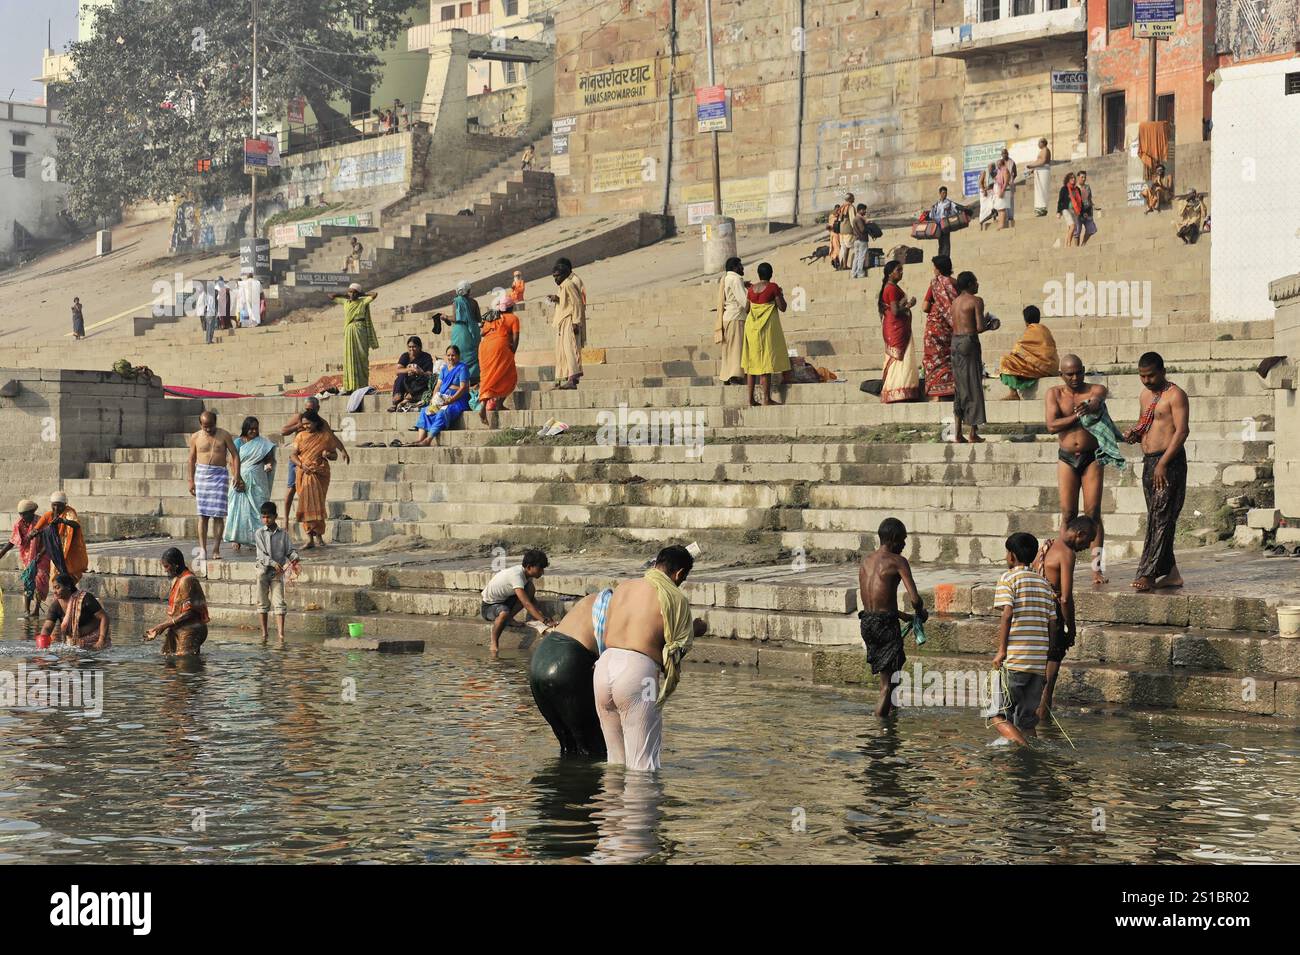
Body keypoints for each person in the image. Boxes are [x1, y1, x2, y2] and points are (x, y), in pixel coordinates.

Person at [593, 545, 706, 772]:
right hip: (638, 673)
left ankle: (610, 806)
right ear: (679, 574)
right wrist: (696, 630)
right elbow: (676, 648)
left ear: (656, 564)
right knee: (643, 766)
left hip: (603, 667)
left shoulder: (623, 587)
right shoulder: (674, 597)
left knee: (615, 762)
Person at [1046, 354, 1118, 586]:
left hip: (1091, 457)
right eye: (1069, 374)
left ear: (1084, 370)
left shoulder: (1094, 389)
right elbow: (1051, 425)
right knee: (1067, 514)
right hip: (1066, 458)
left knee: (1093, 513)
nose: (1075, 377)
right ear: (1061, 375)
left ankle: (1097, 568)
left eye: (1078, 372)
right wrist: (1078, 416)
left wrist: (1093, 405)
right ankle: (1062, 562)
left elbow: (1098, 396)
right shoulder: (1054, 394)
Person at [1123, 352, 1190, 593]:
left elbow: (1182, 431)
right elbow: (1146, 424)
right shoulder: (1145, 395)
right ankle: (1171, 573)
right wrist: (1134, 434)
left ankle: (1149, 574)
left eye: (1151, 375)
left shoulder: (1176, 395)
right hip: (1149, 462)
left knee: (1161, 518)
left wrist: (1163, 463)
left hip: (1169, 464)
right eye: (1142, 376)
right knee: (1156, 518)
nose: (1147, 380)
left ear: (1162, 371)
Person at [528, 589, 610, 759]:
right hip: (567, 663)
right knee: (593, 751)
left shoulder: (592, 600)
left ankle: (565, 781)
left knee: (568, 746)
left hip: (539, 660)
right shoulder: (618, 608)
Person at [858, 518, 927, 718]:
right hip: (886, 625)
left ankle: (891, 713)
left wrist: (905, 617)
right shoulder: (898, 561)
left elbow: (877, 603)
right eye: (904, 540)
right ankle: (879, 730)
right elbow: (915, 599)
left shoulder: (866, 561)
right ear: (894, 539)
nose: (905, 545)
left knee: (891, 675)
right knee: (887, 685)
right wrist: (920, 613)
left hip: (867, 623)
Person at [991, 532, 1056, 741]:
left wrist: (1001, 651)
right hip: (1037, 665)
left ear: (1011, 555)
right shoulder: (1044, 584)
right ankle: (1033, 755)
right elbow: (1052, 624)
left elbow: (1008, 613)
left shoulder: (1008, 578)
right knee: (1027, 720)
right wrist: (1046, 661)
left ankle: (1024, 748)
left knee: (998, 715)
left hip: (1015, 661)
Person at [1032, 516, 1097, 724]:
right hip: (1053, 619)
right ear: (1080, 534)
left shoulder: (1047, 546)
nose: (1086, 547)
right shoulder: (1067, 553)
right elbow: (1065, 597)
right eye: (1087, 542)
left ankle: (1029, 722)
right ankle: (1044, 724)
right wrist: (1071, 627)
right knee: (1048, 682)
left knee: (1035, 675)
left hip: (1035, 614)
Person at [187, 411, 243, 561]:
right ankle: (203, 549)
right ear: (201, 424)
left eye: (211, 426)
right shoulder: (195, 437)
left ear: (215, 422)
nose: (208, 429)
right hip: (202, 475)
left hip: (219, 475)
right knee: (203, 515)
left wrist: (237, 474)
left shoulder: (224, 435)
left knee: (219, 515)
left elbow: (235, 455)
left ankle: (216, 549)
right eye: (205, 426)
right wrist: (190, 480)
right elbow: (191, 459)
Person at [949, 271, 995, 443]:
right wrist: (991, 324)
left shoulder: (954, 303)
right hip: (969, 343)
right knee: (973, 386)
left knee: (960, 388)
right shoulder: (976, 301)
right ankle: (973, 433)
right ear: (969, 284)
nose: (978, 285)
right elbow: (979, 327)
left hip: (955, 343)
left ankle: (958, 433)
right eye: (975, 282)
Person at [481, 549, 553, 658]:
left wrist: (542, 615)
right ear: (529, 567)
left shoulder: (527, 576)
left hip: (505, 600)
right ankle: (494, 643)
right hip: (489, 607)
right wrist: (545, 621)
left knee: (530, 589)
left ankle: (509, 619)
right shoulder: (516, 576)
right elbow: (527, 604)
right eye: (540, 569)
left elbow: (531, 600)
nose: (542, 572)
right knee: (503, 613)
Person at [291, 409, 347, 549]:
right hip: (305, 473)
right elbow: (292, 456)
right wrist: (302, 465)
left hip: (320, 473)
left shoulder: (325, 437)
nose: (305, 427)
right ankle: (310, 538)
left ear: (315, 423)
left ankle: (319, 537)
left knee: (318, 504)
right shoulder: (300, 436)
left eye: (308, 424)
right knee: (307, 504)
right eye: (303, 424)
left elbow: (334, 456)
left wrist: (327, 454)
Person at [144, 547, 209, 656]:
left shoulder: (187, 580)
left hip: (191, 629)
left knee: (182, 663)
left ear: (176, 565)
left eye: (166, 566)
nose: (165, 570)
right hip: (178, 628)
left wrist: (163, 626)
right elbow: (177, 610)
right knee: (167, 657)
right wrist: (159, 628)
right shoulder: (178, 579)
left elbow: (190, 612)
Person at [742, 262, 791, 407]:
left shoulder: (751, 290)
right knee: (765, 364)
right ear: (770, 274)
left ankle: (750, 400)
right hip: (765, 330)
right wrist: (780, 294)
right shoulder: (773, 287)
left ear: (758, 274)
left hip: (751, 329)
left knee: (751, 365)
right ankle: (766, 399)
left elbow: (746, 309)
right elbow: (783, 307)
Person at [224, 416, 276, 553]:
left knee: (258, 508)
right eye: (250, 428)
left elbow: (269, 459)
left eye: (256, 429)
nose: (253, 431)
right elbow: (232, 462)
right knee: (238, 509)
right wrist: (238, 477)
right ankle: (237, 539)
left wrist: (268, 464)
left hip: (258, 478)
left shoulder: (263, 443)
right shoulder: (238, 442)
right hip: (240, 478)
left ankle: (257, 539)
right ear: (245, 429)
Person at [255, 501, 300, 643]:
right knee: (262, 603)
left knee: (279, 603)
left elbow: (290, 551)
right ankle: (264, 633)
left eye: (268, 517)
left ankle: (281, 635)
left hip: (277, 574)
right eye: (263, 517)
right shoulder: (259, 533)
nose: (265, 520)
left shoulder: (283, 535)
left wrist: (294, 557)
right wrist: (273, 563)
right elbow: (262, 555)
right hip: (262, 572)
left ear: (275, 516)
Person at [877, 261, 921, 403]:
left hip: (896, 327)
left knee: (900, 358)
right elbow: (895, 311)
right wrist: (909, 305)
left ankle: (901, 390)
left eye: (901, 270)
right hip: (896, 328)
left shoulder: (891, 287)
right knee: (899, 358)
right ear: (890, 272)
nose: (901, 272)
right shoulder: (891, 288)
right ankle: (898, 391)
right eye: (898, 270)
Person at [409, 345, 470, 446]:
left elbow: (463, 388)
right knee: (425, 410)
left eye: (453, 355)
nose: (451, 358)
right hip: (442, 399)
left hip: (457, 400)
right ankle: (420, 439)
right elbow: (438, 386)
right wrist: (434, 399)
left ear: (458, 356)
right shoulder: (444, 369)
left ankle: (428, 439)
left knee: (442, 412)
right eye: (448, 355)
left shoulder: (462, 368)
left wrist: (451, 400)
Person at [280, 397, 324, 535]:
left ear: (318, 408)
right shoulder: (299, 417)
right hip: (298, 459)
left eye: (312, 409)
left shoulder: (320, 422)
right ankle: (286, 520)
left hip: (314, 463)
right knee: (291, 488)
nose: (309, 411)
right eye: (307, 408)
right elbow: (283, 431)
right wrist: (298, 426)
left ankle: (315, 532)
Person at [478, 293, 522, 423]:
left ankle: (483, 406)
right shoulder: (513, 318)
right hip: (500, 345)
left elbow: (481, 332)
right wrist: (512, 352)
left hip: (484, 347)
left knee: (489, 377)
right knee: (510, 376)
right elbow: (516, 338)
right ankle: (499, 403)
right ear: (511, 307)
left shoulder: (492, 316)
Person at [998, 305, 1059, 400]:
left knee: (1005, 361)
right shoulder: (1045, 330)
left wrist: (1013, 354)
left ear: (1025, 320)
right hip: (1050, 368)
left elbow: (1018, 349)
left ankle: (1013, 393)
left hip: (1038, 368)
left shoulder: (1031, 330)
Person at [1, 500, 50, 616]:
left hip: (43, 554)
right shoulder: (19, 524)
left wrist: (40, 554)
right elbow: (13, 541)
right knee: (28, 581)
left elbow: (47, 542)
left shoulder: (41, 522)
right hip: (28, 556)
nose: (22, 516)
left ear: (32, 512)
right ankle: (27, 610)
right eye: (21, 514)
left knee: (40, 581)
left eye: (25, 514)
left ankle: (36, 610)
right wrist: (2, 552)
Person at [330, 282, 380, 392]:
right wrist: (345, 294)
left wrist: (362, 294)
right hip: (349, 330)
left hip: (360, 330)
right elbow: (331, 296)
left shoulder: (363, 301)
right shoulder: (345, 302)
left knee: (362, 357)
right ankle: (350, 386)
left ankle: (362, 386)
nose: (351, 294)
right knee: (349, 358)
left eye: (354, 292)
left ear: (358, 293)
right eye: (350, 292)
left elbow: (374, 294)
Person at [40, 573, 110, 650]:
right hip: (73, 643)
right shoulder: (56, 605)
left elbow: (104, 617)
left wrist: (101, 640)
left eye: (57, 587)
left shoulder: (86, 599)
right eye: (53, 588)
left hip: (95, 640)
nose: (55, 592)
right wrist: (42, 644)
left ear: (68, 586)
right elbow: (47, 627)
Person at [921, 255, 957, 401]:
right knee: (948, 358)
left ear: (939, 268)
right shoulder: (956, 283)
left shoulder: (935, 283)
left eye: (934, 267)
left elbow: (924, 307)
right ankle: (951, 388)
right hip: (952, 326)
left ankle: (937, 394)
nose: (933, 269)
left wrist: (938, 307)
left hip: (935, 327)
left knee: (933, 358)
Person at [32, 492, 88, 584]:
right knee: (56, 578)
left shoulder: (69, 512)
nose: (56, 508)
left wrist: (64, 521)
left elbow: (76, 524)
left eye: (59, 506)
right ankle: (60, 595)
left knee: (69, 577)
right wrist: (35, 533)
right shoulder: (48, 515)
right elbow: (42, 533)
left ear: (65, 505)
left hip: (69, 551)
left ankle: (69, 595)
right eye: (54, 505)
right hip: (56, 553)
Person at [547, 257, 586, 390]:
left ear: (565, 274)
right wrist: (557, 299)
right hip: (562, 320)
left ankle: (573, 379)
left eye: (557, 276)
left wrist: (576, 322)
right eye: (554, 277)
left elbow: (577, 303)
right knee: (563, 351)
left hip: (570, 320)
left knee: (571, 350)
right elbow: (566, 301)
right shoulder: (563, 285)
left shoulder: (570, 283)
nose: (555, 279)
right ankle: (564, 378)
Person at [714, 256, 748, 385]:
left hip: (727, 319)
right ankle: (735, 375)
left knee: (728, 349)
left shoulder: (727, 278)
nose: (742, 267)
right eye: (740, 265)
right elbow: (744, 301)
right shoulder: (736, 279)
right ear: (735, 268)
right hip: (736, 318)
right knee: (736, 349)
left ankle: (727, 376)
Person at [450, 280, 483, 386]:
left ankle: (461, 378)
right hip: (473, 331)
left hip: (460, 331)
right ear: (468, 291)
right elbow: (478, 318)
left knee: (460, 355)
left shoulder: (456, 301)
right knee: (473, 356)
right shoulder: (474, 302)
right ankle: (474, 379)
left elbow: (455, 318)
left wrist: (445, 317)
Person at [389, 336, 434, 411]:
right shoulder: (405, 356)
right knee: (401, 375)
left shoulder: (426, 357)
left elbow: (429, 373)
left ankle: (408, 397)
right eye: (409, 347)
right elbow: (397, 370)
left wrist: (420, 372)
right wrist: (410, 369)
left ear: (419, 347)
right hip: (406, 381)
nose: (411, 349)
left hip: (419, 381)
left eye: (414, 347)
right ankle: (396, 399)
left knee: (426, 379)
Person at [929, 186, 957, 258]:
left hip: (946, 224)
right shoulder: (936, 204)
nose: (945, 194)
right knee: (941, 242)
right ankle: (940, 257)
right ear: (940, 193)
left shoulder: (949, 203)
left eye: (945, 193)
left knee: (946, 242)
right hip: (938, 225)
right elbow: (932, 215)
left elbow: (955, 211)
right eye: (943, 193)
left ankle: (946, 257)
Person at [1025, 138, 1052, 216]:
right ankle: (1039, 209)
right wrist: (1032, 169)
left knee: (1042, 190)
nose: (1038, 144)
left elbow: (1043, 161)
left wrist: (1031, 165)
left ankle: (1042, 209)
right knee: (1039, 191)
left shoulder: (1045, 150)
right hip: (1039, 171)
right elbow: (1038, 162)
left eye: (1039, 142)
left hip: (1043, 171)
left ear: (1043, 143)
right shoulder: (1042, 151)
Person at [1057, 171, 1081, 248]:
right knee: (1073, 226)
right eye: (1071, 178)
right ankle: (1069, 244)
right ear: (1068, 179)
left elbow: (1079, 201)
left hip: (1074, 210)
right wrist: (1058, 211)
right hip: (1066, 209)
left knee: (1070, 228)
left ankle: (1065, 245)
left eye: (1074, 178)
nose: (1073, 179)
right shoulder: (1064, 189)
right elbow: (1060, 200)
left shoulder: (1077, 189)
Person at [1074, 170, 1096, 245]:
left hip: (1088, 211)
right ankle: (1076, 249)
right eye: (1082, 177)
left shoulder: (1087, 187)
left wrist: (1093, 205)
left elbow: (1089, 198)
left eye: (1085, 177)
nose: (1083, 179)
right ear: (1078, 178)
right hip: (1078, 212)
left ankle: (1083, 244)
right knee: (1077, 231)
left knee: (1091, 229)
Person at [850, 203, 872, 278]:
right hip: (862, 240)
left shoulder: (855, 219)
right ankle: (860, 272)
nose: (865, 212)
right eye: (864, 210)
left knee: (856, 257)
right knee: (861, 256)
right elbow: (862, 229)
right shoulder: (859, 219)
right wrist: (867, 224)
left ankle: (853, 273)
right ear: (860, 210)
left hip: (856, 240)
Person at [835, 192, 857, 269]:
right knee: (852, 247)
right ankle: (845, 265)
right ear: (850, 199)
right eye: (853, 197)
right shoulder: (850, 207)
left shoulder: (841, 207)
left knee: (843, 248)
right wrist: (856, 230)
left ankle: (841, 265)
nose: (854, 199)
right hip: (848, 231)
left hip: (841, 231)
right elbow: (853, 220)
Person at [993, 158, 1013, 231]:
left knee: (1002, 208)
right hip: (999, 191)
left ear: (1001, 164)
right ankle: (1000, 224)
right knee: (999, 208)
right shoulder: (999, 171)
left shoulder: (1005, 170)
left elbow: (1006, 182)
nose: (997, 165)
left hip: (1003, 191)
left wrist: (1002, 191)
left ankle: (1001, 225)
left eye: (998, 163)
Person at [978, 161, 998, 230]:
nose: (990, 169)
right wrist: (984, 191)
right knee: (983, 209)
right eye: (990, 167)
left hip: (991, 191)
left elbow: (994, 183)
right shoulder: (984, 172)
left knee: (993, 205)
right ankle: (981, 223)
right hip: (984, 192)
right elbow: (980, 183)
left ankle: (994, 219)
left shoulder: (994, 173)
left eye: (992, 167)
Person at [1000, 148, 1018, 224]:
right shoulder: (1000, 163)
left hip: (1010, 184)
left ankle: (1011, 217)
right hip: (1001, 185)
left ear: (1007, 154)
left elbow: (1015, 173)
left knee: (1010, 201)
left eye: (1005, 153)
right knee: (1003, 202)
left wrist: (1011, 180)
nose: (1004, 155)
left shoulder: (1012, 162)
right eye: (1003, 154)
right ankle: (1005, 217)